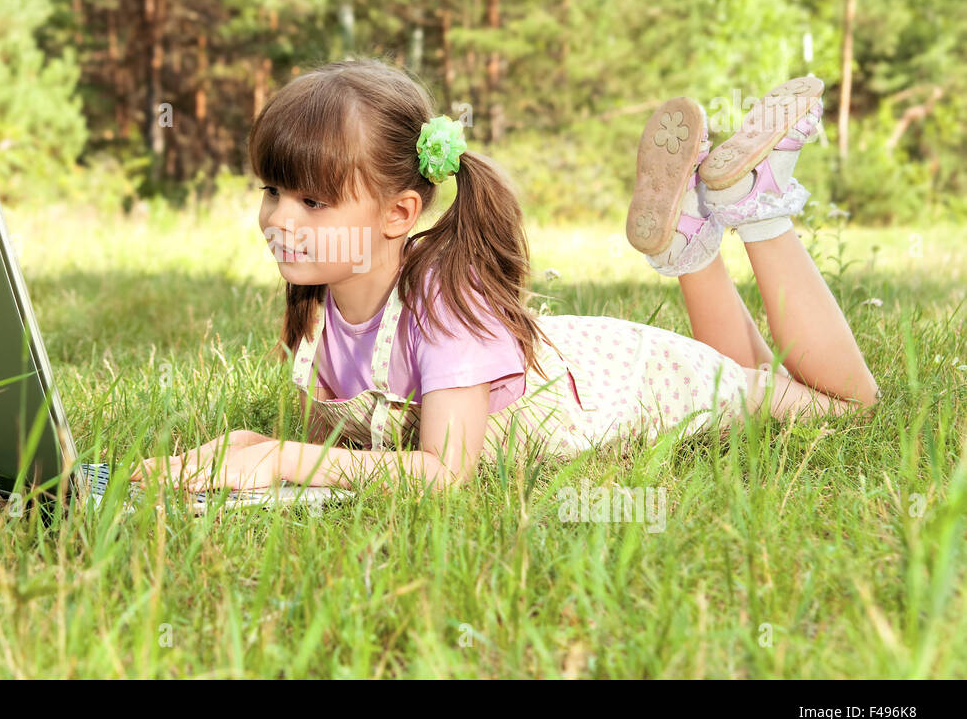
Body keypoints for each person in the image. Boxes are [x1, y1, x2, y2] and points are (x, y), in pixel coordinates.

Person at [129, 60, 879, 495]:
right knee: (749, 378)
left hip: (638, 382)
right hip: (595, 361)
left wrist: (283, 460)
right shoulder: (326, 302)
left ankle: (760, 209)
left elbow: (446, 473)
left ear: (400, 213)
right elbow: (357, 442)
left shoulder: (443, 307)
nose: (278, 218)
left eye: (312, 201)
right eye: (272, 190)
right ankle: (689, 242)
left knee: (846, 407)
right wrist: (248, 445)